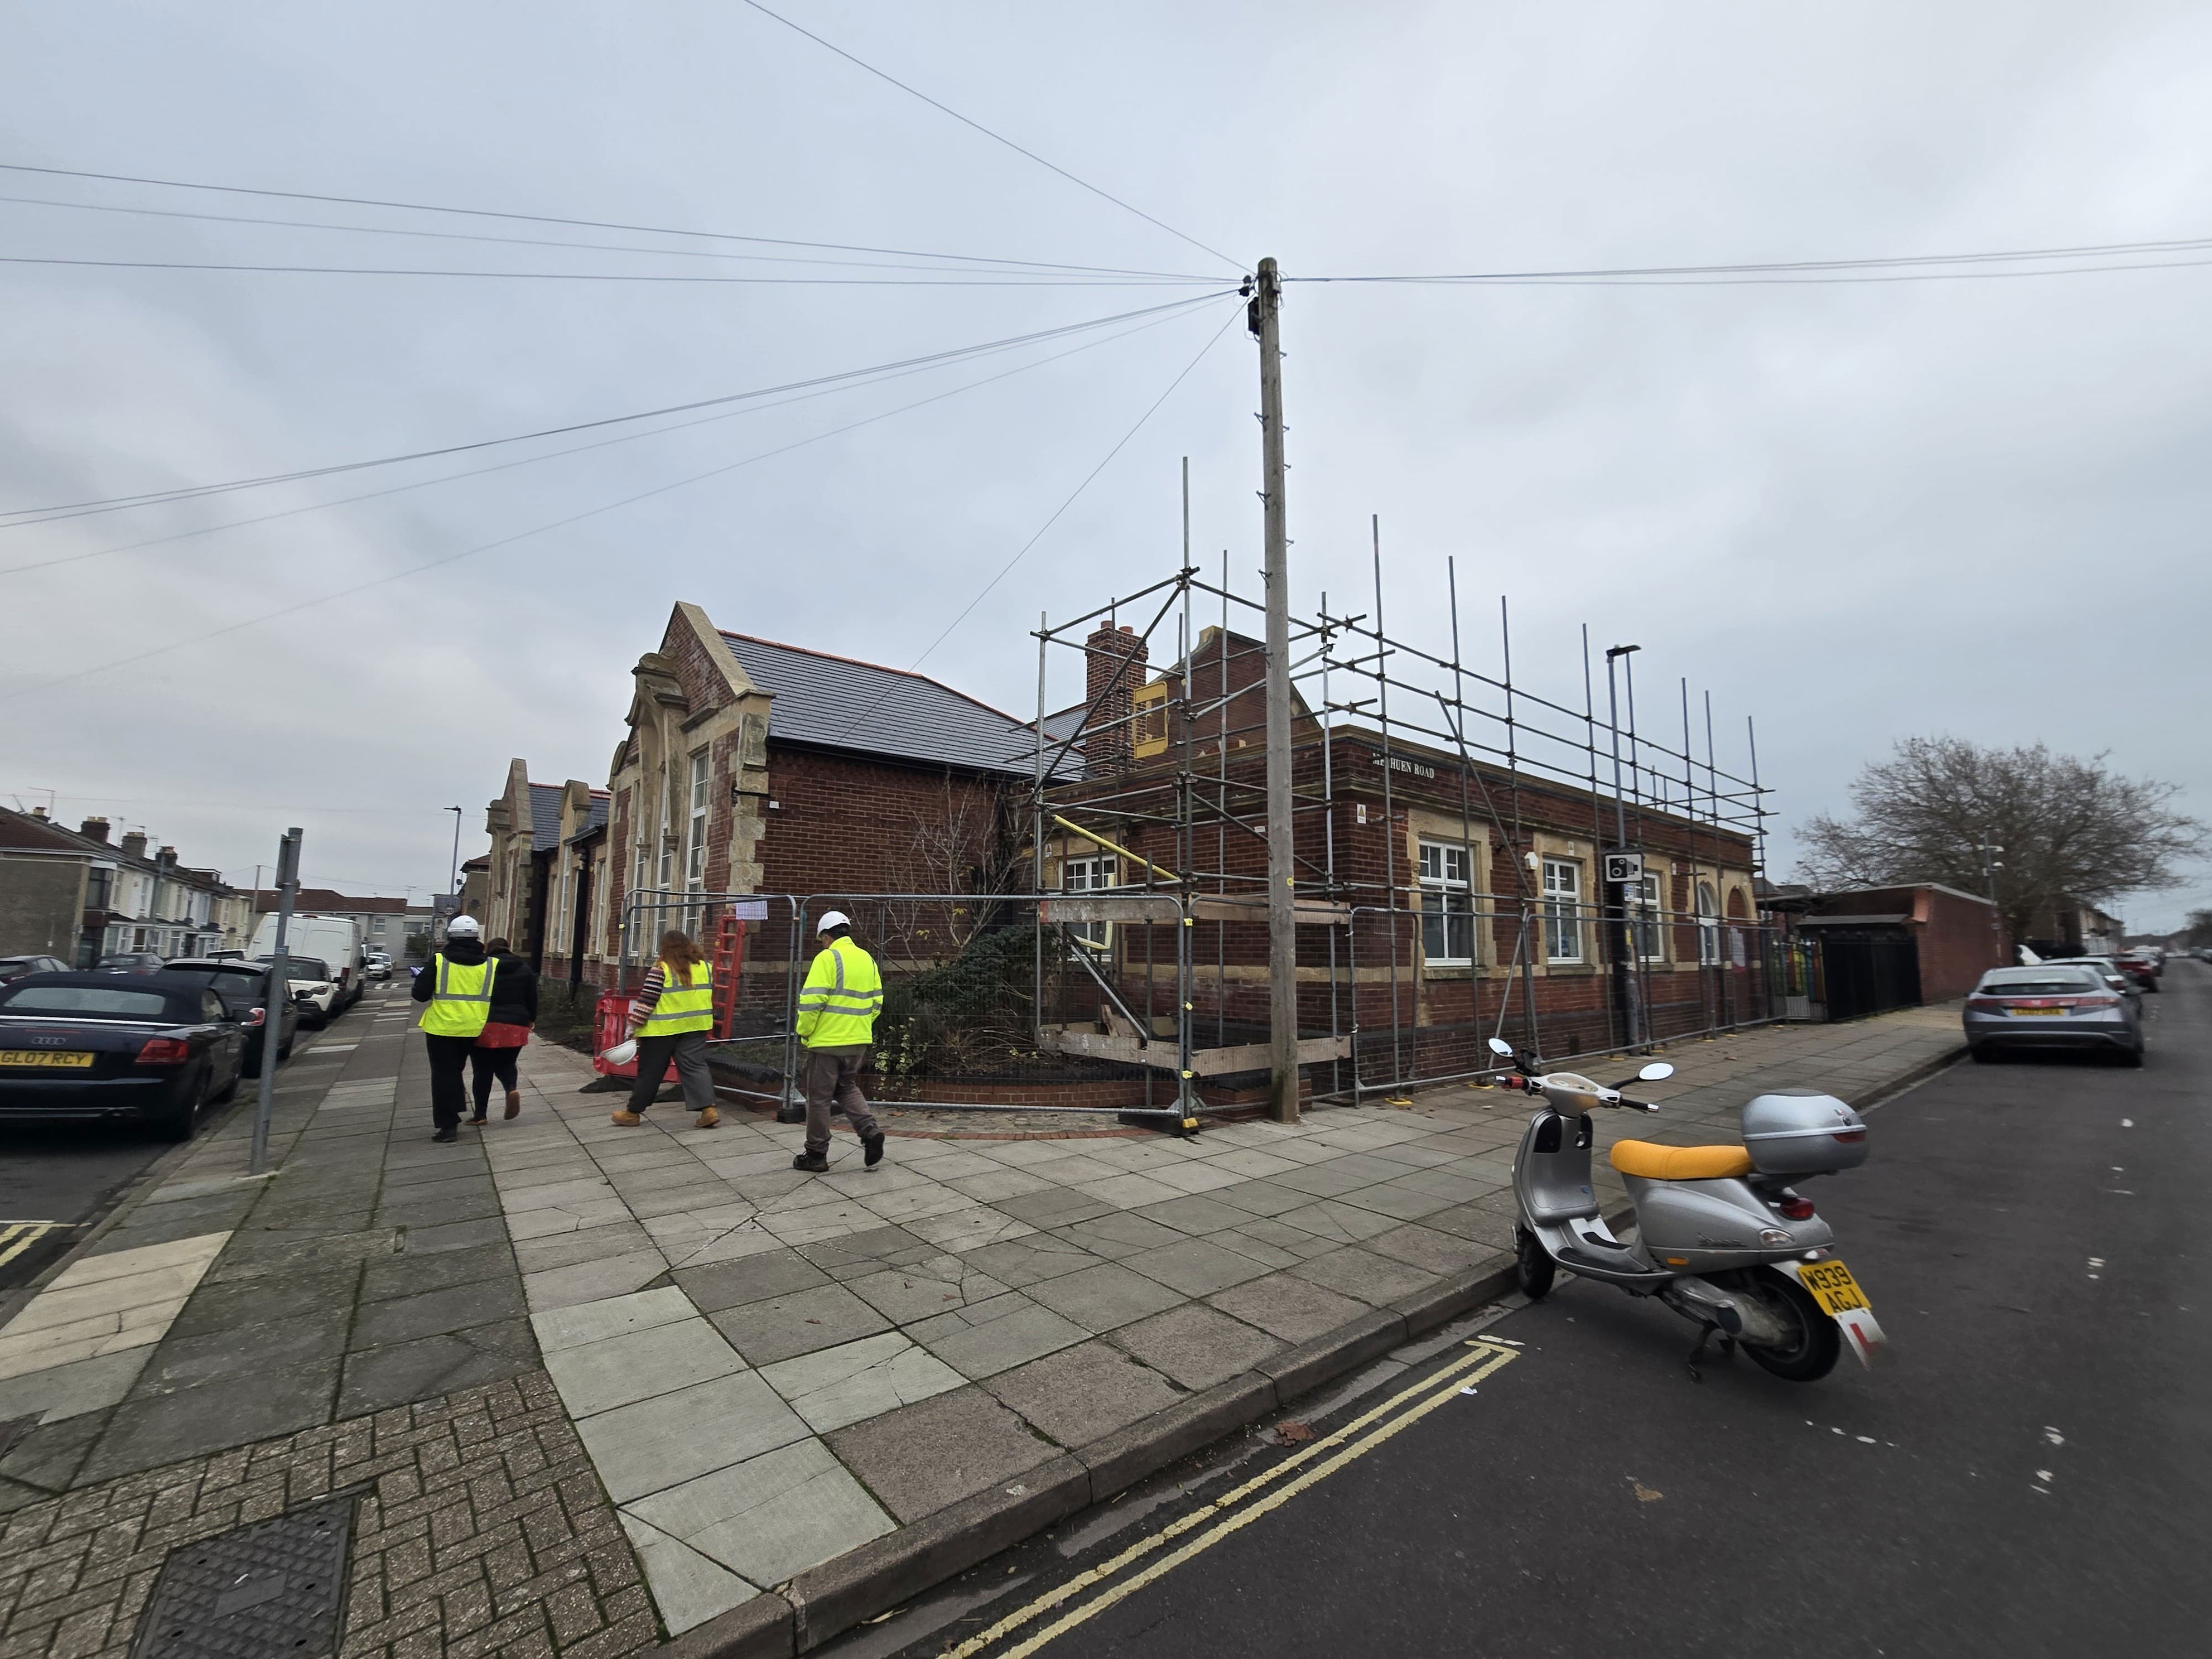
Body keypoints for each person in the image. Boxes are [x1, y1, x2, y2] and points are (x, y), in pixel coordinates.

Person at [792, 910, 885, 1173]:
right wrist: (860, 1026)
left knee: (818, 1097)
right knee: (846, 1088)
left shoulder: (828, 958)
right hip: (858, 1040)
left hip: (828, 1042)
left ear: (827, 936)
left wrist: (805, 1032)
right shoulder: (867, 959)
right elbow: (877, 1001)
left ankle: (816, 1154)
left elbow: (812, 1002)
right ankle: (870, 1132)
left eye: (822, 938)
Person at [610, 928, 720, 1129]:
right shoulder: (705, 967)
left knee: (651, 1072)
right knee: (695, 1067)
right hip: (695, 1027)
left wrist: (632, 1026)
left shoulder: (661, 969)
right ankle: (709, 1110)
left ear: (665, 948)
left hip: (661, 1031)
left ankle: (633, 1113)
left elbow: (646, 1003)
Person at [412, 914, 493, 1142]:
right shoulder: (490, 964)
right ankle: (457, 1110)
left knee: (443, 1075)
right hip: (474, 1027)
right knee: (455, 1071)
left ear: (450, 937)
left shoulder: (439, 960)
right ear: (477, 937)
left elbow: (420, 995)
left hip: (442, 1028)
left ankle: (448, 1125)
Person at [468, 936, 537, 1125]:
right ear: (509, 948)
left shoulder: (483, 967)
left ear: (489, 949)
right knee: (507, 1063)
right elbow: (532, 998)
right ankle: (511, 1089)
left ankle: (480, 1115)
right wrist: (531, 1019)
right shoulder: (524, 968)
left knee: (482, 1070)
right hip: (517, 1024)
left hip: (486, 1024)